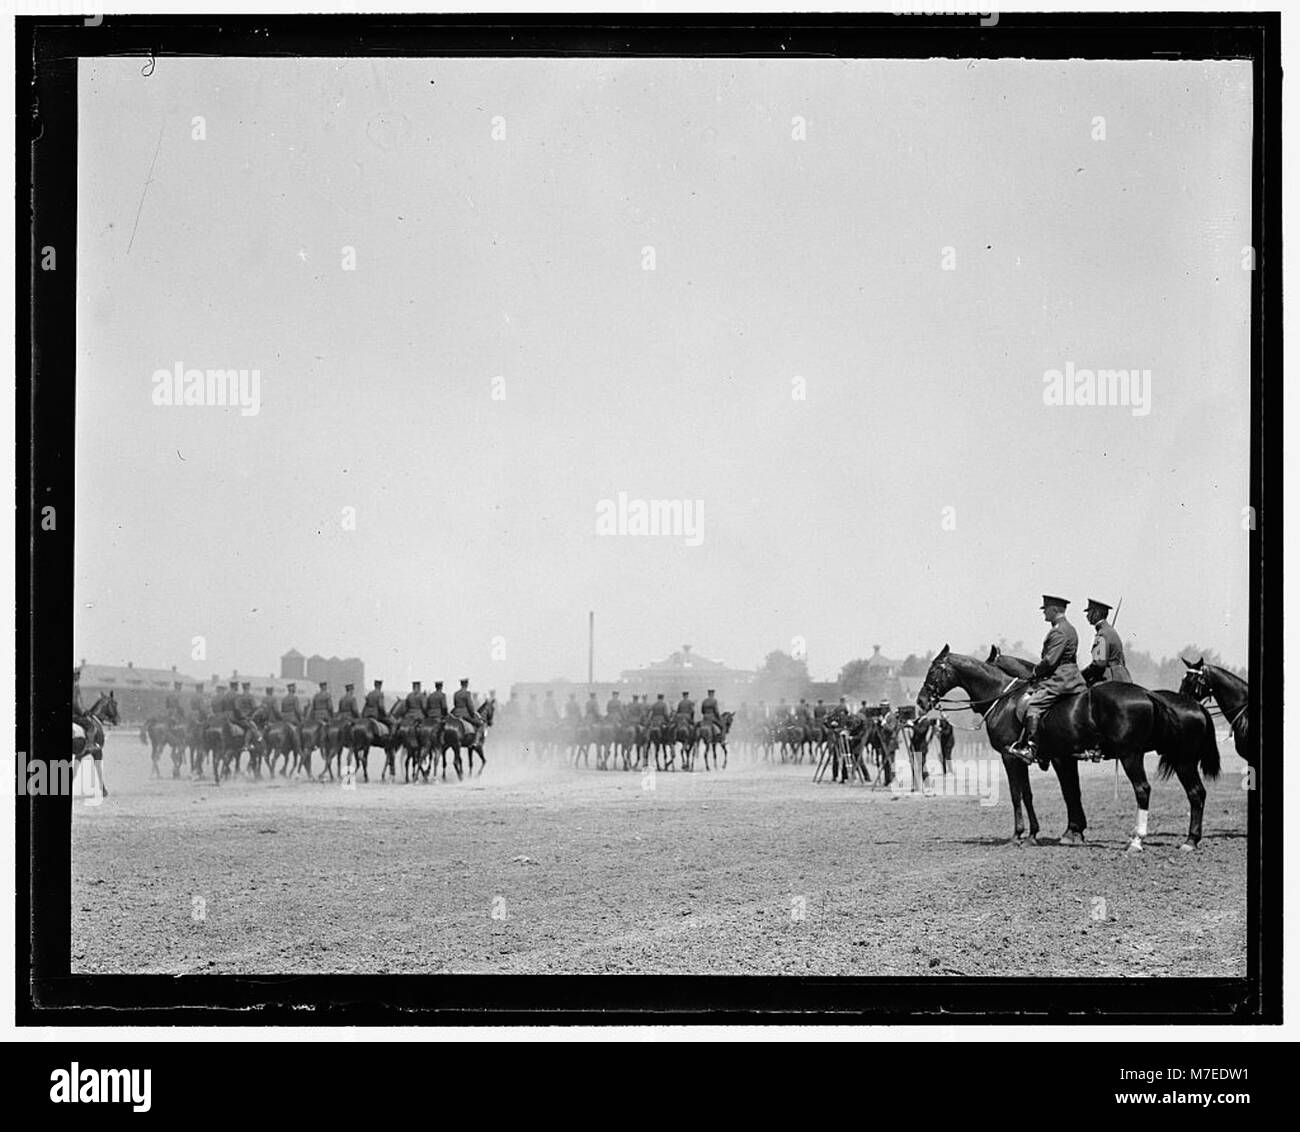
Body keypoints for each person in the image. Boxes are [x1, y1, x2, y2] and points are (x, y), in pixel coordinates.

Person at [1010, 594, 1088, 762]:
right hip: (1070, 675)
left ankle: (1031, 748)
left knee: (1033, 704)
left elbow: (1051, 660)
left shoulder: (1059, 631)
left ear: (1054, 609)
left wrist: (1035, 672)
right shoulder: (1069, 628)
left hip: (1062, 679)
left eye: (1045, 609)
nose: (1043, 612)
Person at [1080, 598, 1132, 684]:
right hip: (1123, 677)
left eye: (1089, 612)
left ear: (1096, 613)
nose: (1087, 616)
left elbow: (1099, 664)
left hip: (1109, 679)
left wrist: (1082, 675)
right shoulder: (1111, 631)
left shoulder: (1102, 634)